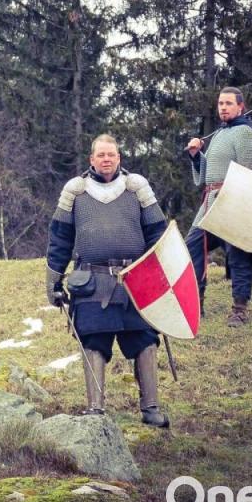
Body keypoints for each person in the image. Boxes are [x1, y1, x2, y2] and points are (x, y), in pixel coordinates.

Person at [46, 134, 170, 428]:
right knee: (93, 340)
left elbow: (158, 234)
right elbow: (60, 238)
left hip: (134, 281)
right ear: (91, 159)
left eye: (110, 155)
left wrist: (162, 276)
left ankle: (150, 407)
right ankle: (95, 409)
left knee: (144, 340)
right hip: (91, 279)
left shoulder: (137, 188)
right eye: (100, 155)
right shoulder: (74, 192)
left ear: (119, 158)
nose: (106, 159)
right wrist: (52, 281)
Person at [185, 86, 252, 327]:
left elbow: (248, 175)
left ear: (240, 106)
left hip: (234, 203)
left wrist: (235, 204)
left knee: (237, 256)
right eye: (220, 103)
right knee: (192, 248)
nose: (223, 107)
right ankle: (196, 304)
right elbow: (205, 177)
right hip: (210, 203)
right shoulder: (220, 134)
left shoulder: (245, 133)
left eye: (228, 103)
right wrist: (195, 155)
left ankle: (239, 310)